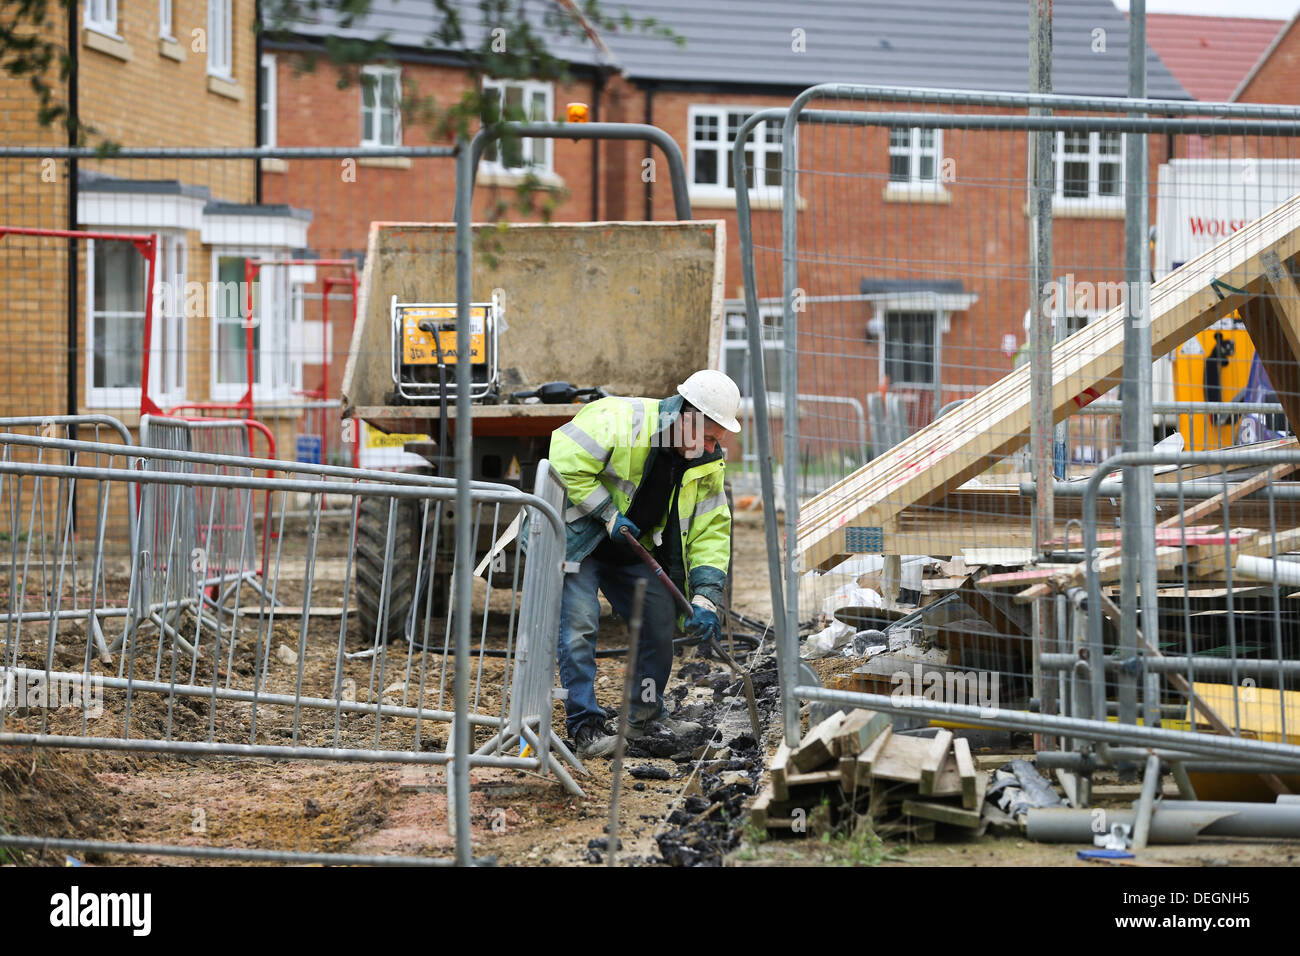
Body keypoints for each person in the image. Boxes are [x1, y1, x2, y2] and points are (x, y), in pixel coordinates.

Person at [548, 369, 741, 757]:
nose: (709, 448)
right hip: (578, 540)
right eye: (707, 437)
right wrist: (606, 513)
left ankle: (644, 714)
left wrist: (705, 597)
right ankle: (585, 728)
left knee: (657, 620)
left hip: (631, 549)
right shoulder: (620, 418)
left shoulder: (705, 464)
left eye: (716, 441)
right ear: (687, 415)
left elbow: (711, 532)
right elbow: (563, 460)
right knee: (580, 626)